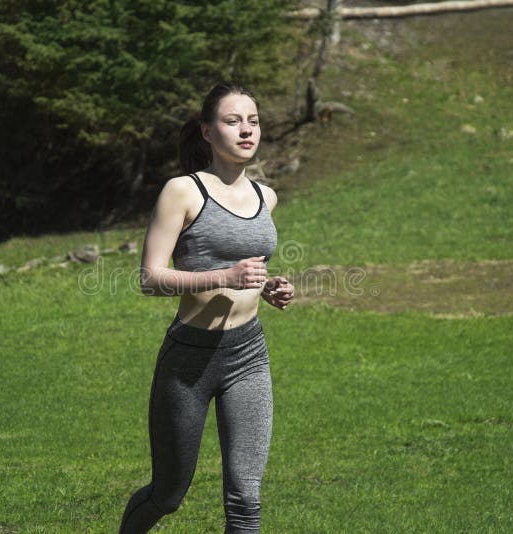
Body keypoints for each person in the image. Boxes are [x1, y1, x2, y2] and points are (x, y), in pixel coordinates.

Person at [119, 81, 294, 534]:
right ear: (207, 131)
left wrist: (268, 287)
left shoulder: (266, 197)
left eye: (253, 121)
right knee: (168, 494)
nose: (246, 130)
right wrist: (225, 278)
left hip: (248, 355)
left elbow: (246, 269)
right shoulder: (183, 191)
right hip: (189, 361)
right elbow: (150, 278)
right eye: (233, 121)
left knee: (246, 498)